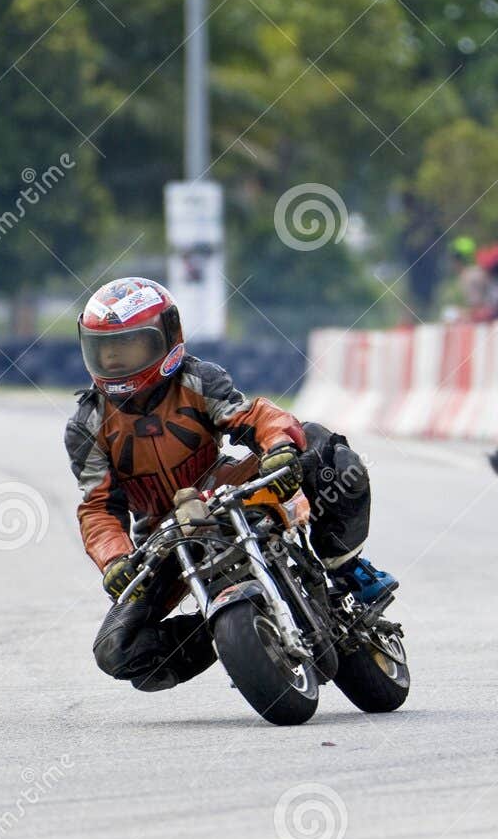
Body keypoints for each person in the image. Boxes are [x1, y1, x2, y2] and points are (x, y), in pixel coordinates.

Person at [65, 277, 398, 691]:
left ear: (167, 337)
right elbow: (98, 508)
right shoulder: (86, 425)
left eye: (128, 347)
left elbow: (253, 415)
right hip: (162, 536)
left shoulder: (198, 379)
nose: (115, 361)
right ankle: (222, 628)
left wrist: (277, 445)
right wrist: (115, 560)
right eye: (105, 350)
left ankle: (347, 568)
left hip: (227, 489)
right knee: (117, 648)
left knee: (325, 452)